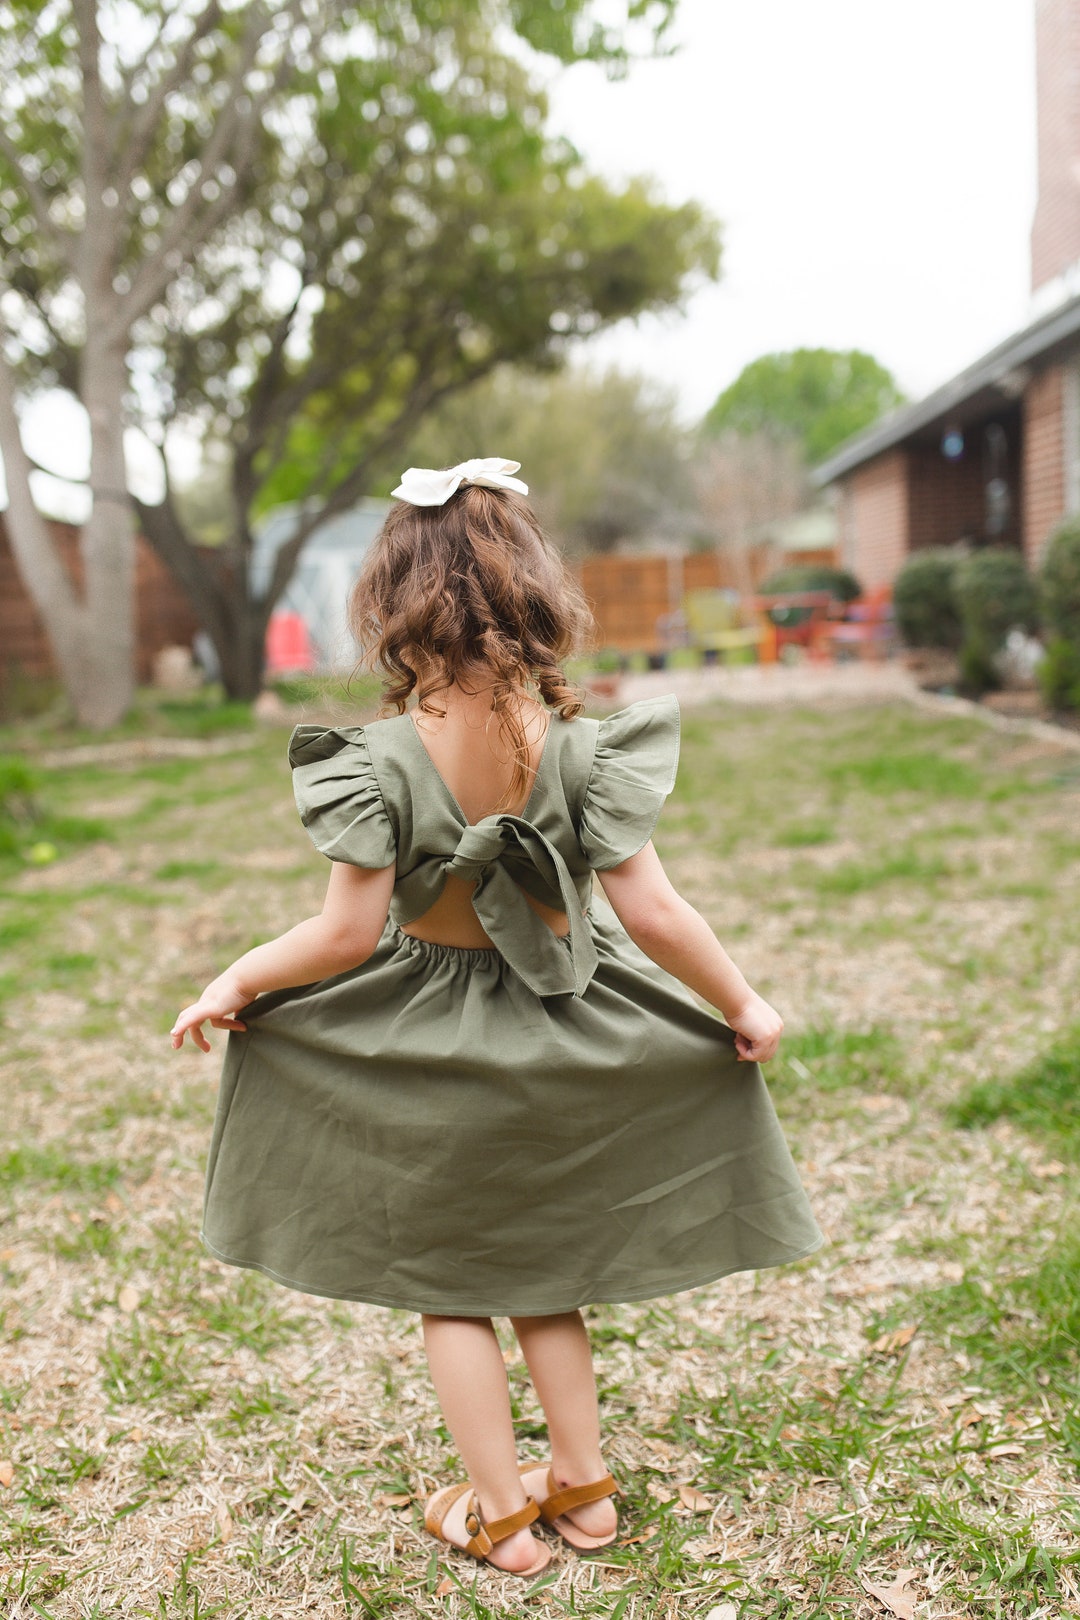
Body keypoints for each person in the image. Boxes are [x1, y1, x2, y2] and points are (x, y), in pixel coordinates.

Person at [171, 457, 823, 1579]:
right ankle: (584, 1490)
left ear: (391, 604)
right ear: (533, 592)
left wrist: (236, 982)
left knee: (453, 1288)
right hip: (568, 1024)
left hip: (427, 1047)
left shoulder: (374, 761)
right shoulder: (582, 747)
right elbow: (654, 910)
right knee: (544, 1272)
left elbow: (340, 938)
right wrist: (742, 1001)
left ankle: (500, 1519)